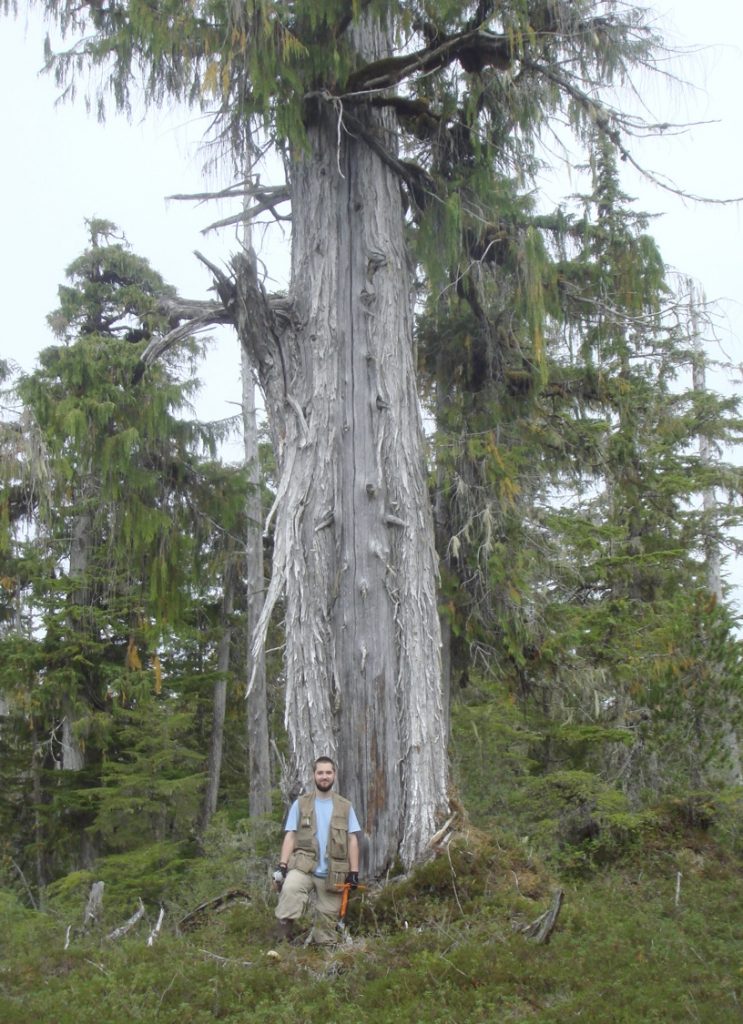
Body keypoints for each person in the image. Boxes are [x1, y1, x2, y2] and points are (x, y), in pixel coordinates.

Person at [273, 755, 361, 945]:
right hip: (304, 866)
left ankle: (321, 953)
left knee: (325, 934)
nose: (324, 776)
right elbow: (291, 835)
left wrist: (353, 872)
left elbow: (352, 839)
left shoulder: (345, 807)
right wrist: (282, 865)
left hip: (333, 874)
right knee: (289, 890)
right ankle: (282, 946)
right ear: (313, 775)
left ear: (334, 775)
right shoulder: (301, 803)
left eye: (328, 772)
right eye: (320, 772)